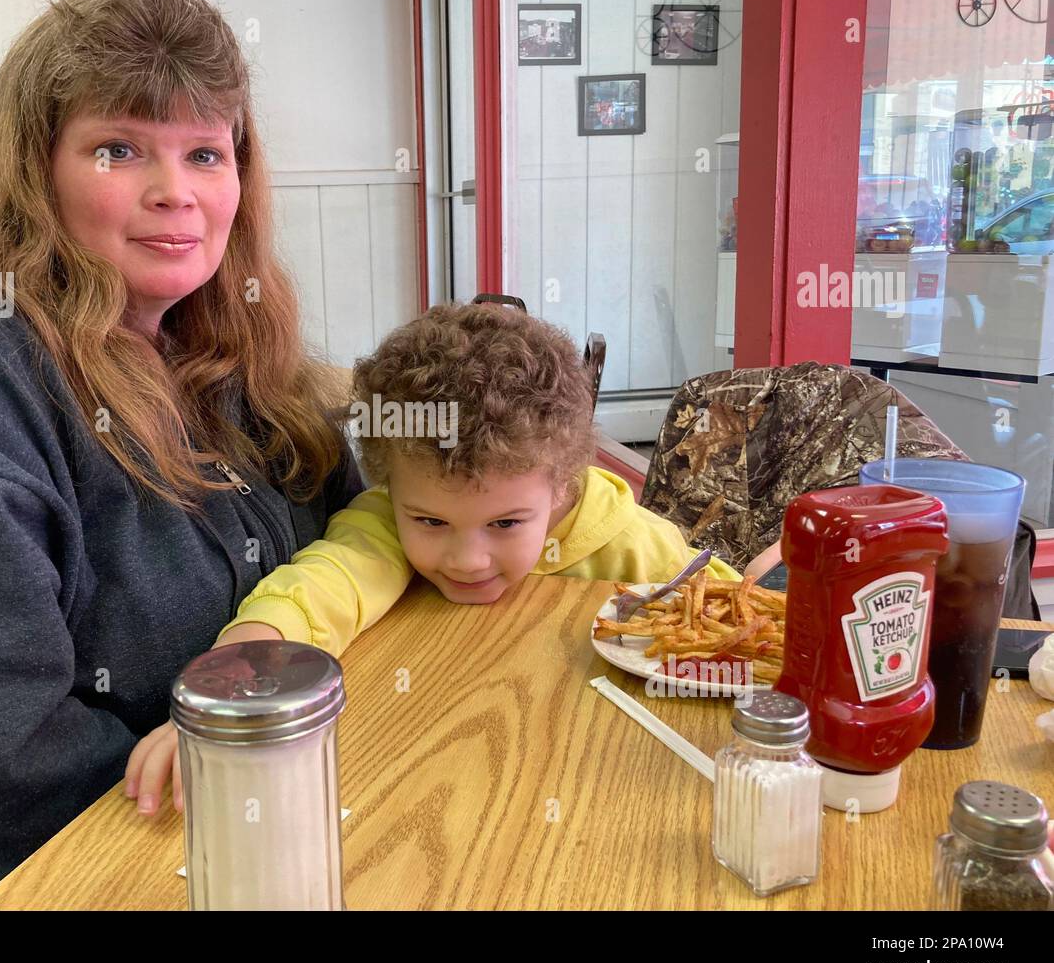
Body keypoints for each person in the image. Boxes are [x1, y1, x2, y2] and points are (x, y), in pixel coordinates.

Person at [0, 0, 397, 910]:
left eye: (205, 153)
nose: (175, 192)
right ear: (36, 171)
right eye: (118, 149)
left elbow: (351, 524)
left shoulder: (213, 340)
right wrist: (250, 795)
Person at [125, 304, 740, 811]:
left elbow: (745, 618)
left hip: (606, 789)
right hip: (435, 783)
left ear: (561, 486)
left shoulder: (634, 544)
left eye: (505, 523)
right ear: (389, 484)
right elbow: (313, 591)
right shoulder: (383, 528)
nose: (468, 558)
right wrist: (227, 694)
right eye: (430, 521)